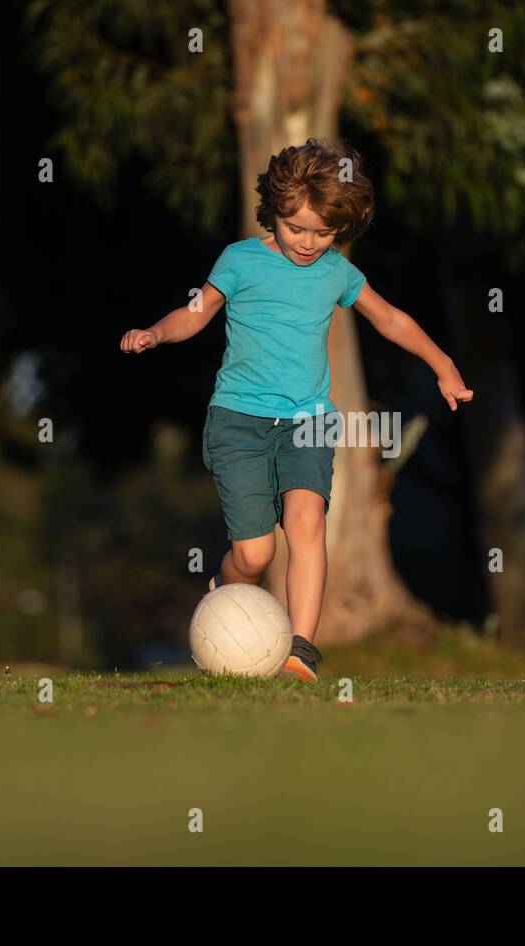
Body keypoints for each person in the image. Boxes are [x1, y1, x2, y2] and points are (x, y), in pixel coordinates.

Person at [120, 138, 473, 681]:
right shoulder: (239, 261)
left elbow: (391, 320)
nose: (308, 242)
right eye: (296, 229)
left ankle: (300, 650)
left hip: (309, 421)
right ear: (273, 212)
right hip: (239, 420)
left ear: (341, 229)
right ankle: (230, 599)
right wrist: (156, 333)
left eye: (323, 232)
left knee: (308, 523)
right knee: (256, 554)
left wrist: (443, 364)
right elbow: (195, 314)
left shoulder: (337, 273)